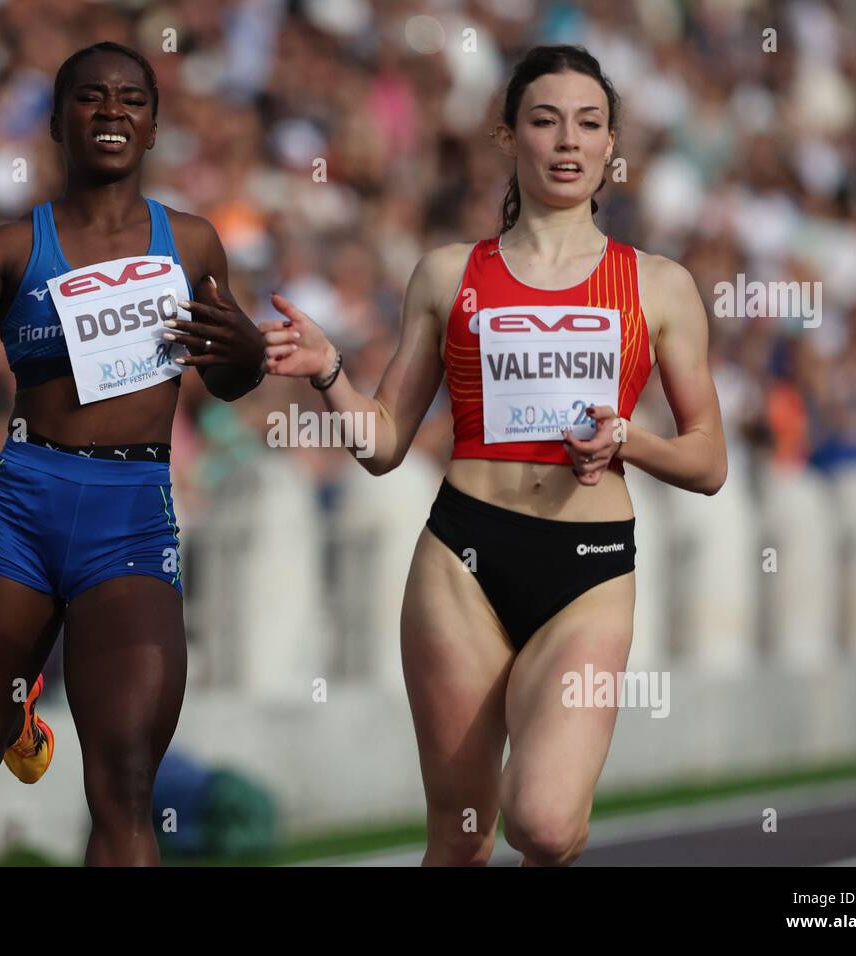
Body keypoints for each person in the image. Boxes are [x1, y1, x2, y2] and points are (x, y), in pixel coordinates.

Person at [253, 45, 727, 866]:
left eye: (589, 123)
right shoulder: (446, 275)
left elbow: (710, 459)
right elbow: (384, 445)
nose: (568, 142)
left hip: (589, 568)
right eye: (545, 121)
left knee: (543, 823)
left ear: (614, 144)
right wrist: (328, 371)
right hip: (459, 562)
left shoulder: (659, 285)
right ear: (508, 136)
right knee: (462, 839)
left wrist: (627, 438)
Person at [0, 41, 266, 866]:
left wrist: (247, 350)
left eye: (131, 99)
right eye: (90, 97)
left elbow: (231, 381)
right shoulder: (12, 247)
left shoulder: (191, 244)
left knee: (123, 783)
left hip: (130, 519)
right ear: (57, 121)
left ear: (155, 126)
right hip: (21, 508)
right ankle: (21, 702)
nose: (111, 112)